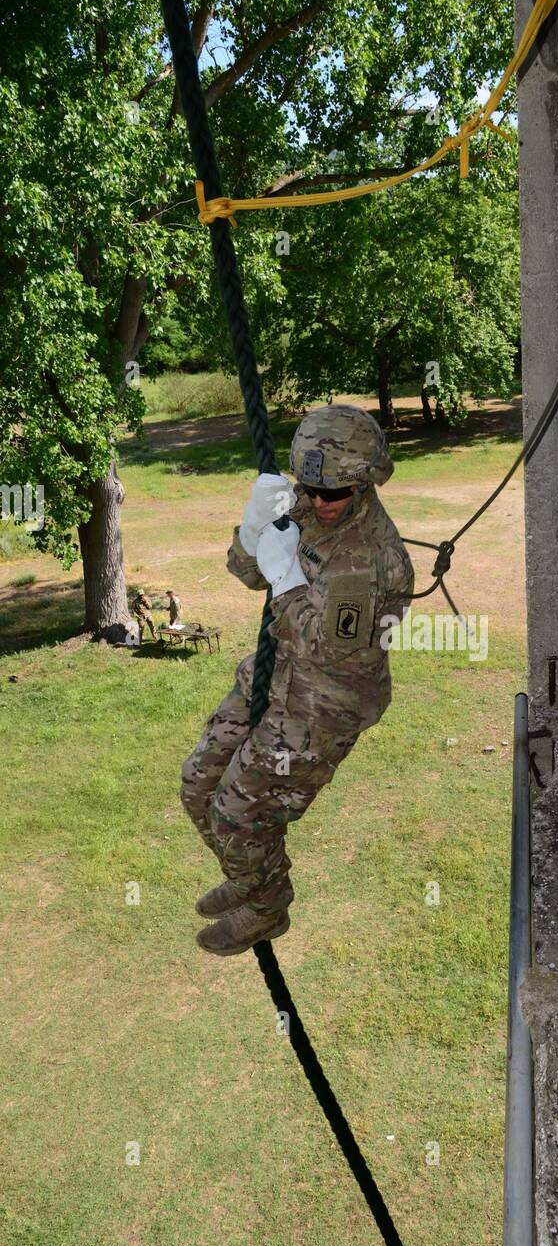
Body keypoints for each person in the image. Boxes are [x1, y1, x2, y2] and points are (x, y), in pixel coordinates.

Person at [180, 404, 415, 956]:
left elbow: (331, 651)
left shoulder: (372, 559)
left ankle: (266, 907)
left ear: (364, 485)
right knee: (197, 787)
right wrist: (253, 527)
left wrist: (285, 579)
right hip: (276, 674)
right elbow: (245, 570)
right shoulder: (310, 504)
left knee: (240, 816)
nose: (316, 502)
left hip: (324, 704)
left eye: (331, 494)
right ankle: (251, 880)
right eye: (308, 489)